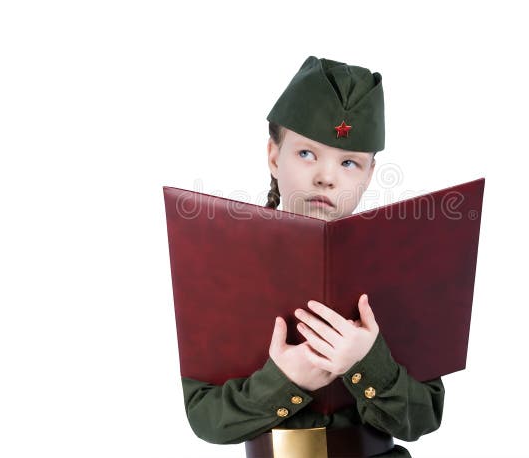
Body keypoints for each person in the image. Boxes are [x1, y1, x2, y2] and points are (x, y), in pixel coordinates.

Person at [181, 56, 445, 457]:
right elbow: (205, 417)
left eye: (349, 162)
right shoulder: (222, 261)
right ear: (274, 157)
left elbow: (424, 416)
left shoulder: (401, 264)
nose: (326, 177)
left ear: (369, 175)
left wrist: (365, 362)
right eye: (306, 153)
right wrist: (286, 381)